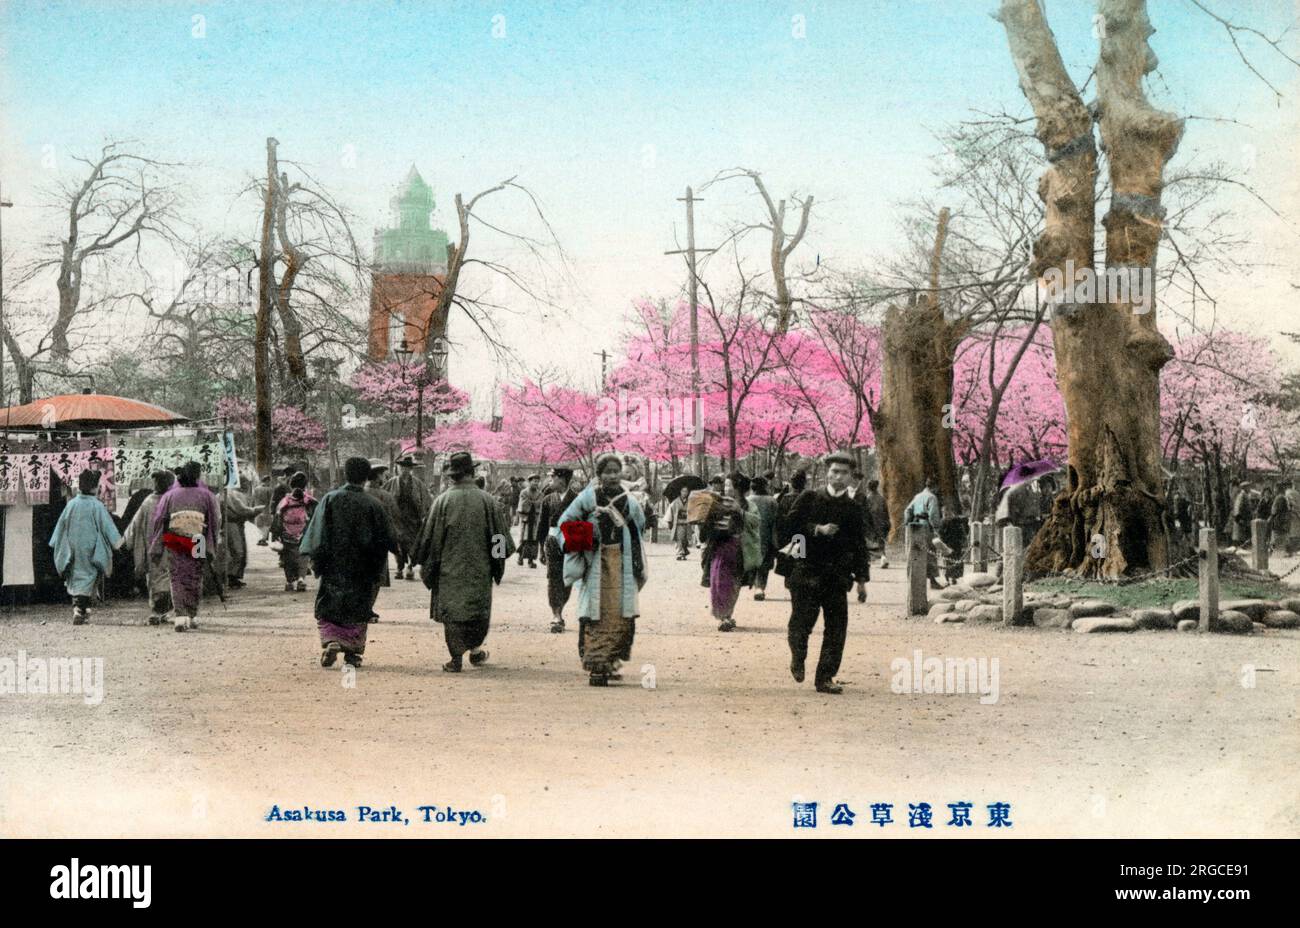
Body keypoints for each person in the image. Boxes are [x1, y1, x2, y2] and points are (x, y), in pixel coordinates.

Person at [778, 452, 869, 695]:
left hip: (837, 577)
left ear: (851, 477)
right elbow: (788, 528)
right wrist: (816, 529)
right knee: (800, 624)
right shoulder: (809, 498)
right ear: (827, 472)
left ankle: (825, 677)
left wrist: (861, 580)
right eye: (835, 471)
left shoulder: (853, 508)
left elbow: (859, 545)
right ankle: (798, 657)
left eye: (844, 473)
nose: (839, 476)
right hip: (806, 573)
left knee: (837, 628)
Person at [417, 452, 516, 673]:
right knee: (477, 613)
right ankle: (474, 648)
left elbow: (430, 540)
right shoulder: (487, 501)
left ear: (453, 476)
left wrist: (430, 565)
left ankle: (455, 658)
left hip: (449, 570)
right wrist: (497, 563)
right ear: (472, 472)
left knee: (452, 615)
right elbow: (499, 537)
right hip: (480, 569)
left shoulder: (442, 501)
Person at [554, 452, 647, 687]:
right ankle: (597, 666)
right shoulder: (588, 497)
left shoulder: (630, 500)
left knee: (620, 616)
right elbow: (563, 524)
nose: (613, 476)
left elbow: (640, 525)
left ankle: (612, 661)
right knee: (596, 615)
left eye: (617, 471)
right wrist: (589, 529)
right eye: (608, 472)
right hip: (596, 563)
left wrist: (623, 527)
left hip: (621, 564)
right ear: (599, 474)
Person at [299, 457, 398, 669]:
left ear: (346, 474)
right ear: (366, 477)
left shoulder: (330, 499)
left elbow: (317, 533)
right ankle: (352, 654)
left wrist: (316, 561)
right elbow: (388, 538)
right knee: (359, 609)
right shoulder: (374, 504)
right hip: (364, 568)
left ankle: (331, 640)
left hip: (334, 565)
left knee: (328, 606)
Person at [149, 461, 220, 632]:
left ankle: (180, 616)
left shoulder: (170, 495)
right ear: (198, 475)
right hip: (198, 538)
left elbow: (159, 520)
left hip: (175, 538)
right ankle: (192, 614)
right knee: (195, 575)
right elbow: (214, 520)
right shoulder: (206, 495)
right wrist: (212, 543)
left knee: (177, 575)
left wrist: (157, 543)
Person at [50, 469, 125, 625]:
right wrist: (118, 543)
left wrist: (55, 542)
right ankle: (81, 608)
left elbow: (61, 526)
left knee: (76, 576)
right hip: (92, 547)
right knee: (90, 576)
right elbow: (107, 526)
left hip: (73, 547)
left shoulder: (71, 504)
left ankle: (80, 608)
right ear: (93, 488)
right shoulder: (96, 505)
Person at [701, 473, 761, 631]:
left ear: (738, 488)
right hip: (720, 547)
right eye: (725, 485)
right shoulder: (717, 501)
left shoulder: (749, 505)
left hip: (739, 549)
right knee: (718, 582)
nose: (726, 488)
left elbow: (756, 522)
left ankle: (727, 614)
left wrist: (739, 511)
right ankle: (722, 617)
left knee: (735, 584)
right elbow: (705, 525)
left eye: (729, 485)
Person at [122, 470, 175, 625]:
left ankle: (158, 611)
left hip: (150, 546)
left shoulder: (148, 501)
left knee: (154, 578)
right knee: (166, 577)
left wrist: (126, 540)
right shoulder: (172, 501)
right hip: (169, 545)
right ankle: (161, 611)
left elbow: (134, 525)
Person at [538, 467, 579, 633]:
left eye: (553, 478)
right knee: (553, 577)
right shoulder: (548, 499)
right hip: (553, 541)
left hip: (571, 542)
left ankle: (560, 609)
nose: (550, 481)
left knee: (567, 579)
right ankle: (556, 615)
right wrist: (541, 549)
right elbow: (542, 526)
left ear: (562, 479)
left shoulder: (577, 499)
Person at [385, 456, 432, 580]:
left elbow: (426, 500)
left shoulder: (418, 484)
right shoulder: (392, 482)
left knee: (413, 545)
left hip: (413, 519)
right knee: (398, 544)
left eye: (407, 468)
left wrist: (425, 515)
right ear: (399, 468)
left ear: (410, 469)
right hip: (397, 519)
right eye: (402, 467)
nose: (404, 470)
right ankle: (399, 568)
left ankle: (410, 567)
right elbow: (384, 497)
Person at [274, 472, 316, 593]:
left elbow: (278, 515)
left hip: (286, 532)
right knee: (303, 555)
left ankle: (289, 582)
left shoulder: (286, 499)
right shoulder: (307, 498)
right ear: (305, 485)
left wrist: (276, 533)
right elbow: (314, 512)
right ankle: (301, 579)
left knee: (287, 556)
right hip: (303, 531)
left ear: (291, 485)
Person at [903, 476, 943, 590]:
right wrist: (936, 528)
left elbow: (907, 510)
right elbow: (933, 515)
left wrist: (908, 522)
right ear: (934, 487)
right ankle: (933, 581)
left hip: (915, 526)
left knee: (916, 552)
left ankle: (916, 579)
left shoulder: (917, 496)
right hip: (926, 527)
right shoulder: (932, 498)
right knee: (929, 553)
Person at [220, 479, 261, 589]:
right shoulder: (230, 494)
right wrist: (254, 510)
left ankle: (234, 576)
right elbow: (241, 510)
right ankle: (231, 576)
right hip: (232, 524)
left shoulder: (232, 494)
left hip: (236, 523)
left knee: (238, 551)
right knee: (238, 551)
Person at [749, 476, 778, 600]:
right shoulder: (772, 501)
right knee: (764, 564)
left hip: (750, 536)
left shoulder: (748, 500)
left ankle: (756, 585)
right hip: (767, 536)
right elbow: (776, 521)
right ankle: (759, 587)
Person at [859, 478, 891, 571]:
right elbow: (886, 513)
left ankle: (871, 560)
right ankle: (883, 558)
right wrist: (887, 523)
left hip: (871, 524)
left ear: (869, 487)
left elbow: (865, 514)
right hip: (881, 524)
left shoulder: (867, 499)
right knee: (881, 542)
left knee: (869, 542)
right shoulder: (881, 499)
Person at [516, 473, 544, 568]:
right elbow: (523, 504)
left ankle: (530, 561)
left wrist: (532, 503)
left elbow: (540, 504)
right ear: (529, 482)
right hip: (526, 519)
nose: (536, 483)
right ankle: (520, 558)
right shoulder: (524, 492)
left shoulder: (540, 494)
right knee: (524, 539)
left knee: (534, 540)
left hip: (535, 519)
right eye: (534, 481)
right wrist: (534, 503)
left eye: (537, 481)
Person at [668, 485, 693, 560]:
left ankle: (684, 553)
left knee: (685, 539)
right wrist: (670, 522)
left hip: (687, 523)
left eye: (686, 491)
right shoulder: (675, 501)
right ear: (680, 492)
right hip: (679, 523)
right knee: (679, 538)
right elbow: (671, 511)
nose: (685, 493)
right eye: (683, 491)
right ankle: (679, 553)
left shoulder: (690, 501)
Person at [1230, 482, 1255, 547]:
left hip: (1245, 519)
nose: (1250, 489)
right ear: (1245, 488)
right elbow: (1238, 507)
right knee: (1240, 537)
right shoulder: (1242, 495)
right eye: (1248, 487)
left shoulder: (1245, 495)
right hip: (1242, 519)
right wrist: (1239, 518)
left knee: (1243, 537)